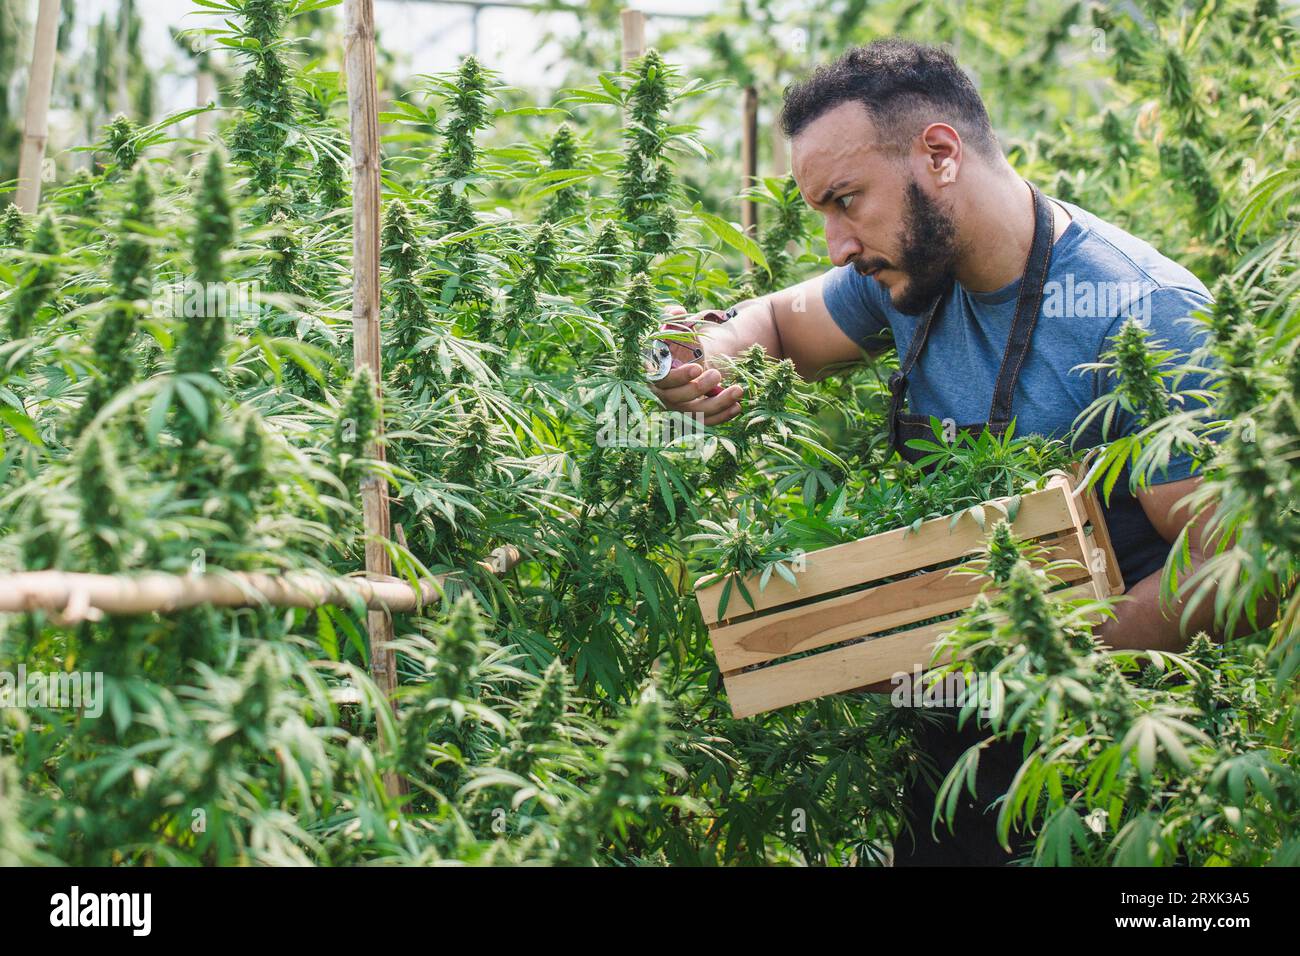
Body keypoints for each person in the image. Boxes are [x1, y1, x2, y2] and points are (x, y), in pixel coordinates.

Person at [648, 39, 1225, 865]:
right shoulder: (910, 272)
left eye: (847, 201)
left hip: (1116, 760)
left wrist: (1017, 662)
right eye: (822, 211)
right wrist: (697, 358)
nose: (836, 245)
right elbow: (773, 323)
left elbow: (1234, 570)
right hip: (955, 744)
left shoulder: (1138, 312)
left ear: (941, 155)